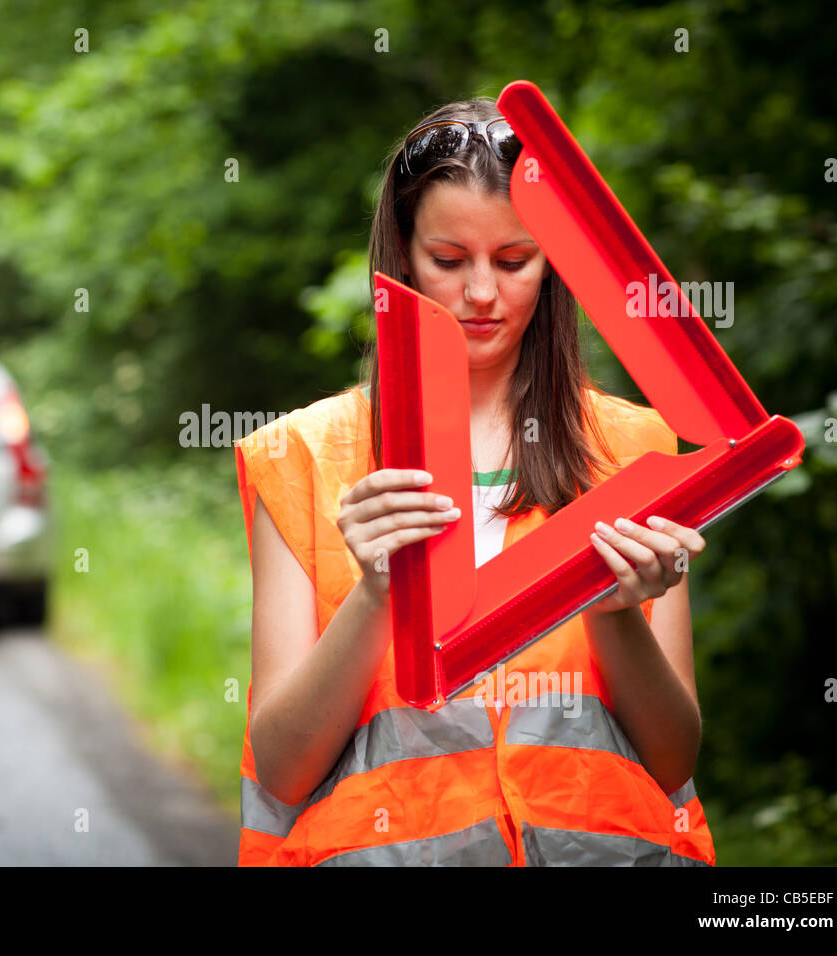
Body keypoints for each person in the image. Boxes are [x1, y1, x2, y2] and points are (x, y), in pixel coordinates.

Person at [232, 96, 716, 866]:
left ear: (553, 260)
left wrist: (617, 612)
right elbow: (285, 771)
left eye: (515, 260)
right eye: (449, 261)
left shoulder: (633, 448)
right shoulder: (302, 455)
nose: (482, 293)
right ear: (400, 255)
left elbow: (672, 761)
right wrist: (376, 593)